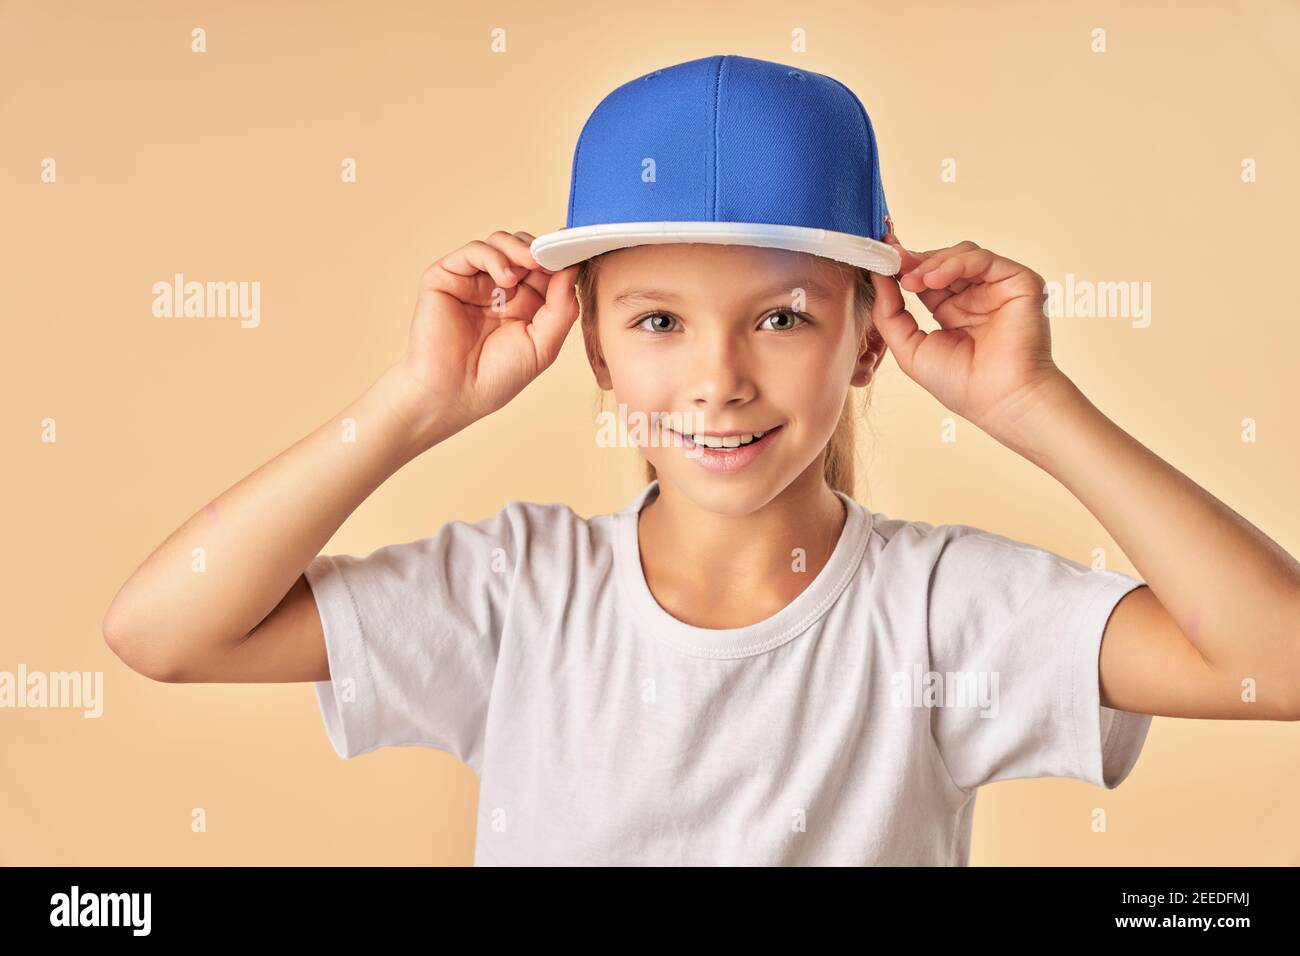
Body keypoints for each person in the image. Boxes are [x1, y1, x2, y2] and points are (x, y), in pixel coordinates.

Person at [102, 55, 1300, 866]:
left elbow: (1276, 659)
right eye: (658, 320)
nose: (718, 379)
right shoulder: (518, 595)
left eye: (781, 318)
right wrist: (414, 405)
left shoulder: (940, 613)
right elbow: (162, 629)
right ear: (592, 349)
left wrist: (1036, 404)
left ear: (870, 342)